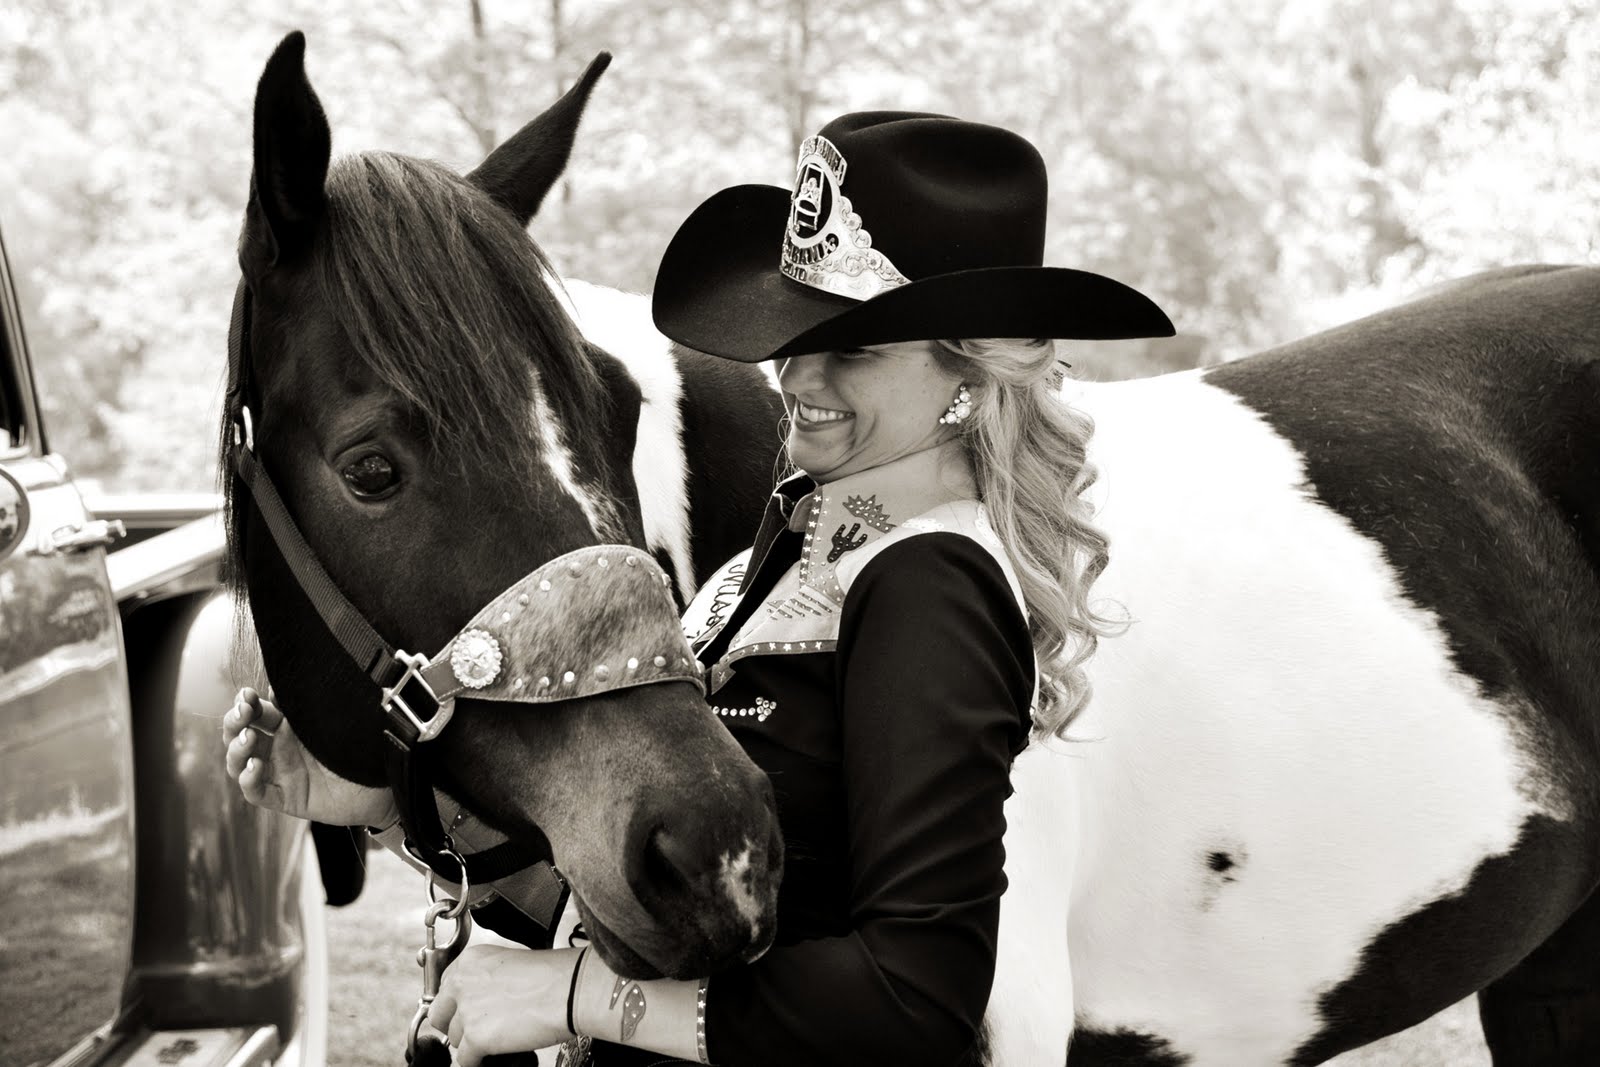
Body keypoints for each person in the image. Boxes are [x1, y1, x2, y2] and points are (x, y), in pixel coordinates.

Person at [224, 110, 1172, 1066]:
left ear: (968, 376)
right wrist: (386, 811)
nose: (799, 373)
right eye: (800, 331)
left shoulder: (930, 580)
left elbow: (915, 1005)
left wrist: (575, 997)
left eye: (859, 349)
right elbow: (722, 900)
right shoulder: (807, 538)